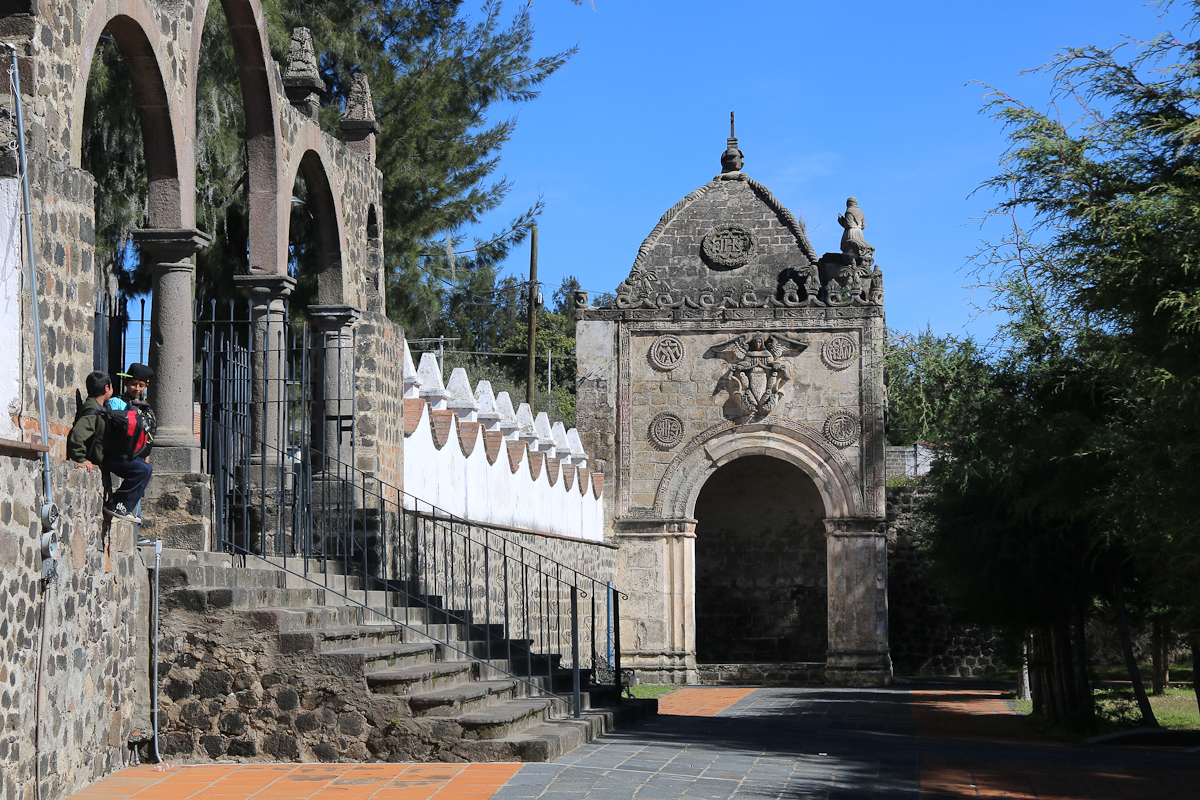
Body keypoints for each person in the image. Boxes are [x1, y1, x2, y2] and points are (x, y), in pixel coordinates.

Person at [66, 369, 154, 524]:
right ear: (107, 388)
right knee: (142, 469)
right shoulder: (93, 410)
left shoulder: (101, 407)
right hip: (103, 456)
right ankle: (117, 504)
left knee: (143, 467)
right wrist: (80, 458)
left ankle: (120, 504)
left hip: (108, 453)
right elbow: (77, 436)